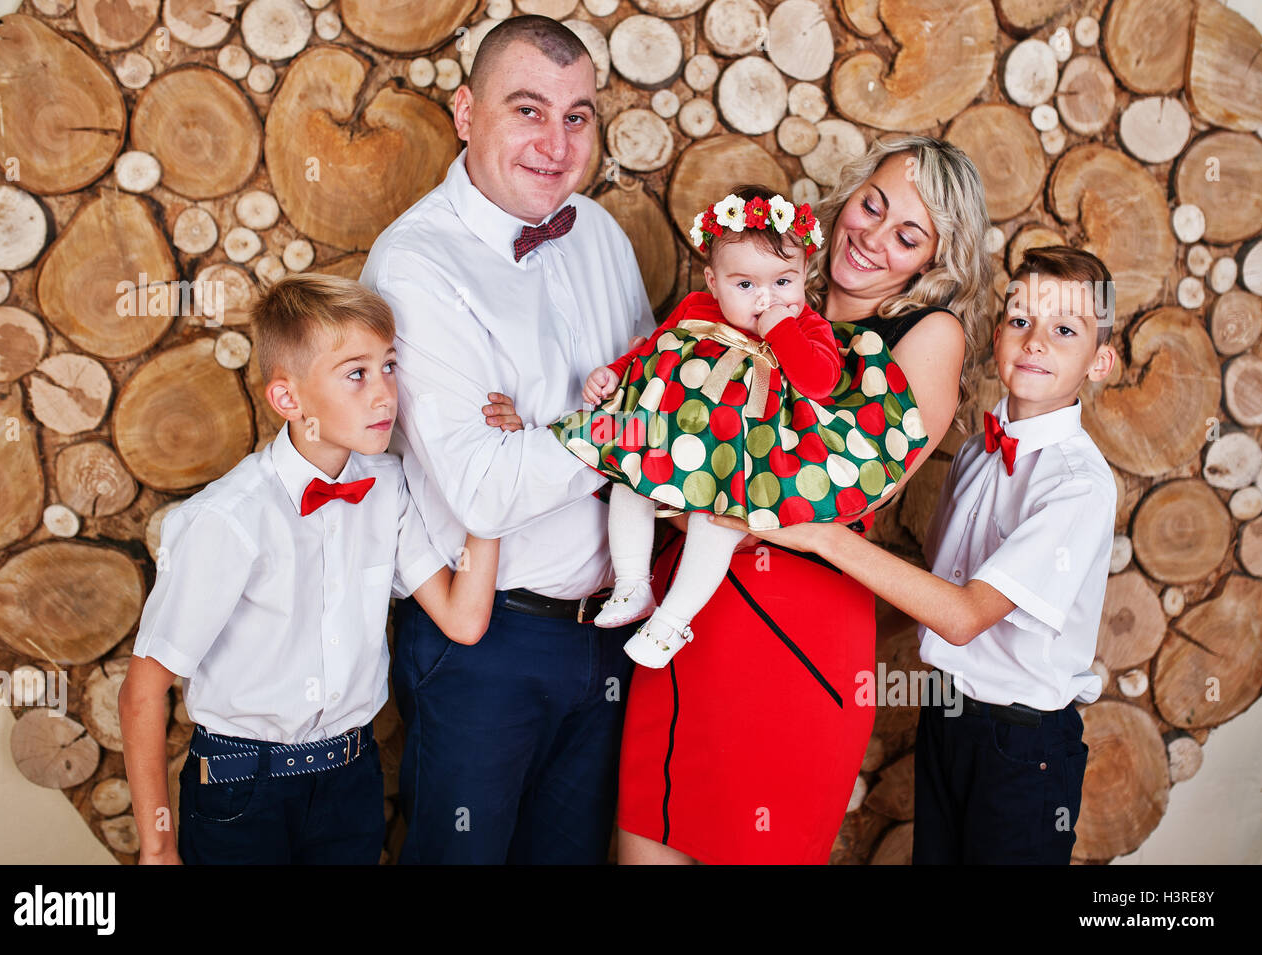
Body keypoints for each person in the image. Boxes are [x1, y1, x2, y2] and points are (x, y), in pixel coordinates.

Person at [615, 135, 994, 864]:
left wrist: (702, 480)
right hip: (689, 606)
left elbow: (847, 488)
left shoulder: (928, 333)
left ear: (935, 260)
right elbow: (671, 405)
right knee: (649, 838)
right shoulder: (771, 281)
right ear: (848, 196)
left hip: (797, 625)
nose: (874, 236)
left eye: (907, 235)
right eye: (872, 204)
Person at [359, 15, 654, 864]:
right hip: (484, 645)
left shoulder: (597, 232)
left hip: (607, 633)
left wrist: (549, 439)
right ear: (463, 112)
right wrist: (615, 434)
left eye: (577, 115)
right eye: (528, 109)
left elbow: (656, 410)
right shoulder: (417, 262)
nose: (555, 144)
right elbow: (484, 491)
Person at [718, 246, 1118, 864]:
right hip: (947, 715)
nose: (1036, 342)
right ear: (996, 335)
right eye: (1020, 321)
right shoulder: (976, 453)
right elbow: (933, 585)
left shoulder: (1078, 483)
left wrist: (820, 533)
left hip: (1023, 745)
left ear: (1100, 362)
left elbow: (961, 615)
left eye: (1065, 329)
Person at [118, 274, 501, 865]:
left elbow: (464, 619)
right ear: (288, 400)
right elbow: (143, 694)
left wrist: (494, 482)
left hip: (351, 779)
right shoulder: (229, 519)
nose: (384, 395)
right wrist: (158, 849)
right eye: (356, 373)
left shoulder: (387, 487)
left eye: (389, 367)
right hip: (241, 787)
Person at [552, 184, 929, 669]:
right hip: (676, 436)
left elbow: (818, 380)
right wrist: (615, 371)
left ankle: (671, 623)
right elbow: (652, 351)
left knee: (718, 525)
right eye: (745, 285)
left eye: (782, 282)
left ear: (803, 276)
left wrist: (780, 329)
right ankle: (631, 584)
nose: (764, 298)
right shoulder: (696, 311)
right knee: (628, 481)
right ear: (713, 281)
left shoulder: (810, 326)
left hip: (745, 457)